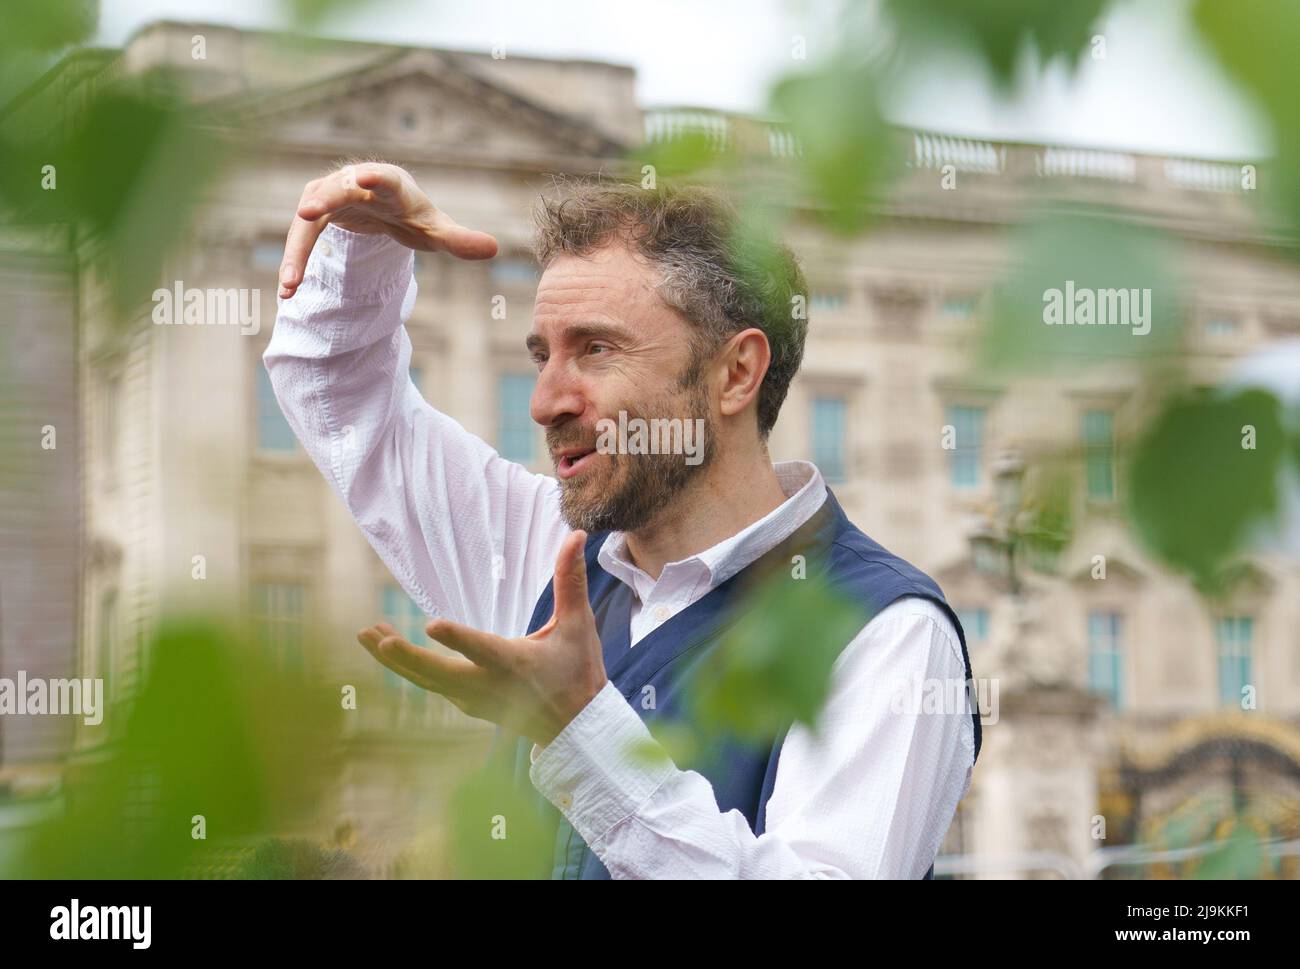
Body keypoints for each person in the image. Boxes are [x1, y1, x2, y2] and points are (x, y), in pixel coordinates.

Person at [265, 162, 981, 879]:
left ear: (735, 374)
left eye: (595, 349)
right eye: (543, 355)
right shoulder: (553, 551)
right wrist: (365, 244)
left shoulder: (890, 632)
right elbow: (349, 411)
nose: (545, 402)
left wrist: (580, 728)